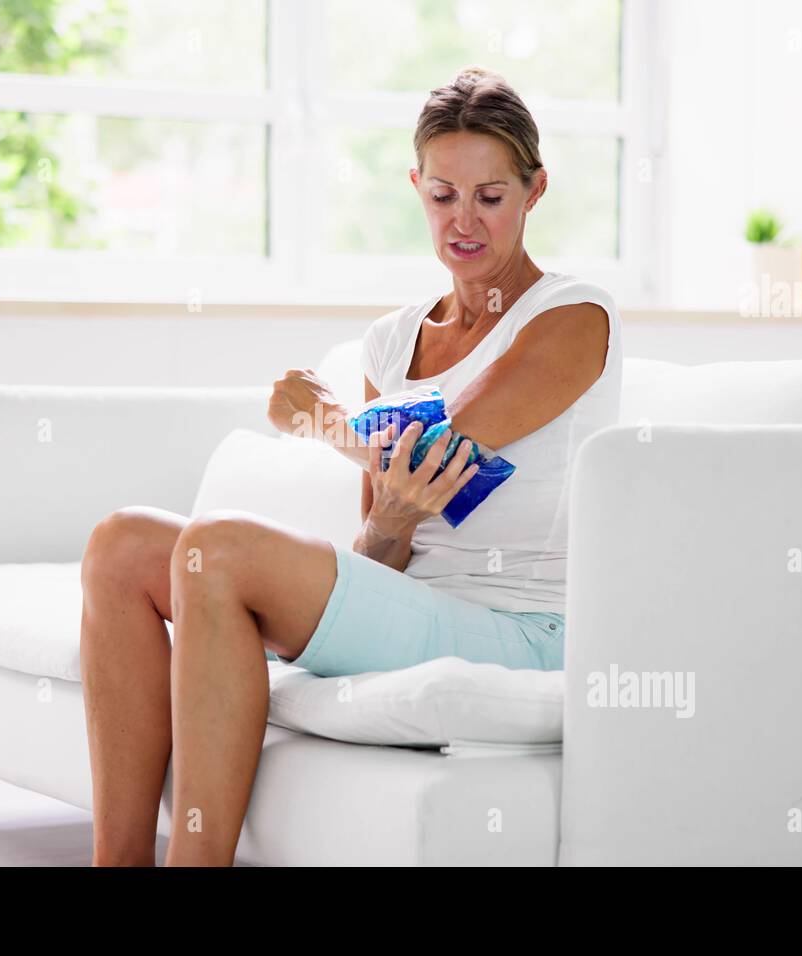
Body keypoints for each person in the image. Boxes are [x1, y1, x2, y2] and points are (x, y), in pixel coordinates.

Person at [78, 65, 622, 867]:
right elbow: (381, 548)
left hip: (521, 629)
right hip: (414, 605)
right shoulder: (392, 341)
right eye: (442, 194)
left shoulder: (572, 316)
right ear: (415, 187)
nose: (463, 221)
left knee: (218, 549)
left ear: (535, 190)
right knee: (121, 545)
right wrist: (391, 520)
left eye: (490, 196)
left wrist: (318, 420)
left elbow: (438, 453)